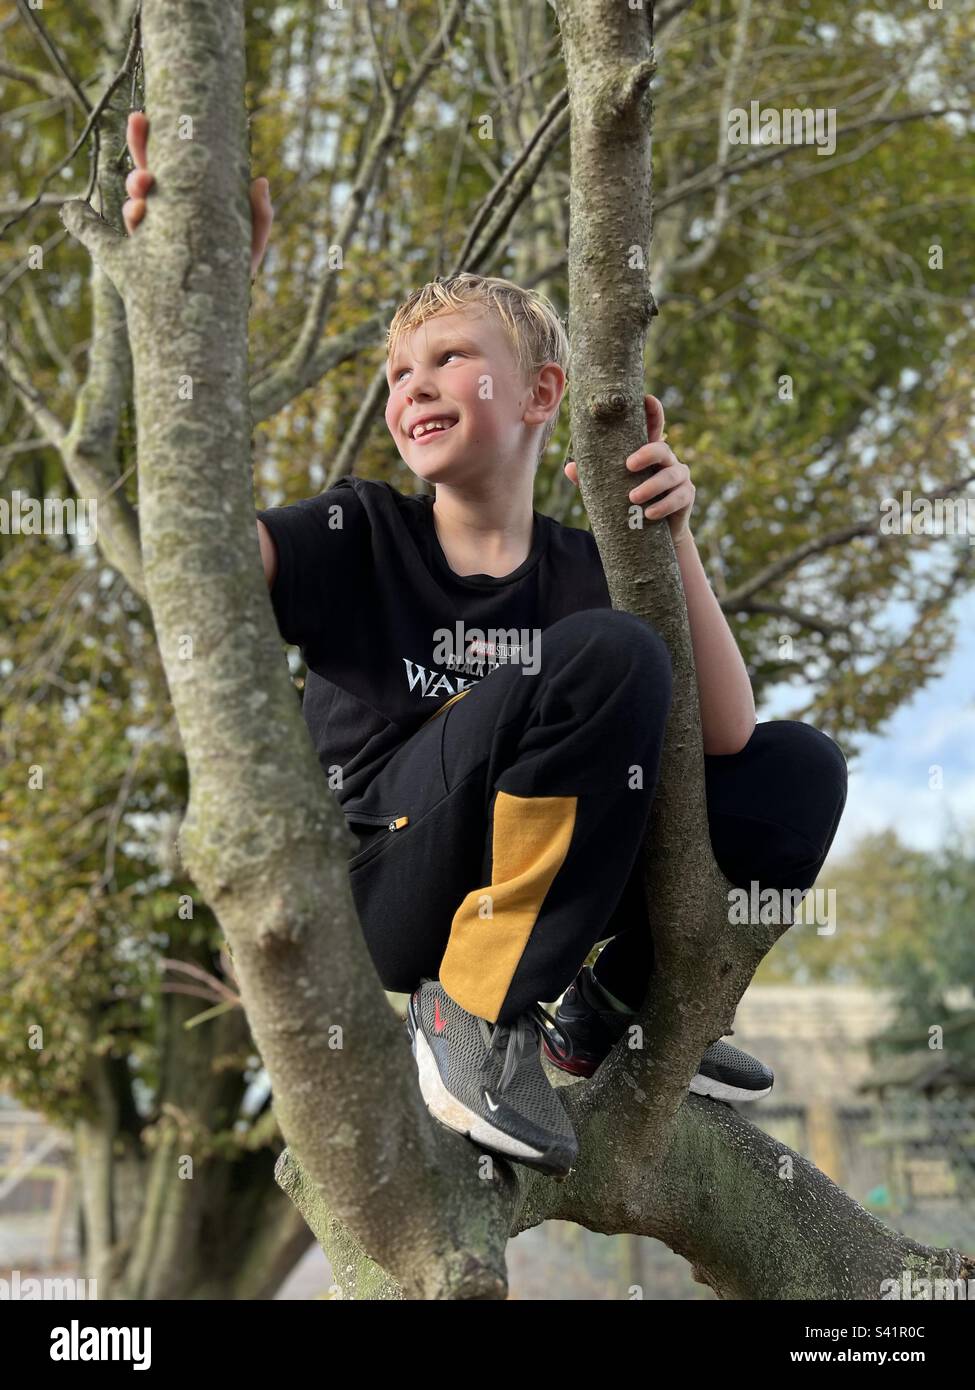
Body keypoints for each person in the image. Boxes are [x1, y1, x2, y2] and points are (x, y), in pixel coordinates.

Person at [123, 114, 849, 1179]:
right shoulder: (357, 532)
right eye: (396, 372)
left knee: (799, 770)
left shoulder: (582, 573)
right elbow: (196, 557)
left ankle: (606, 1015)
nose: (407, 384)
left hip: (538, 881)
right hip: (380, 884)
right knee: (614, 659)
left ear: (541, 395)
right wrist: (198, 312)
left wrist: (672, 540)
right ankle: (469, 1013)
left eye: (446, 358)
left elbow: (729, 736)